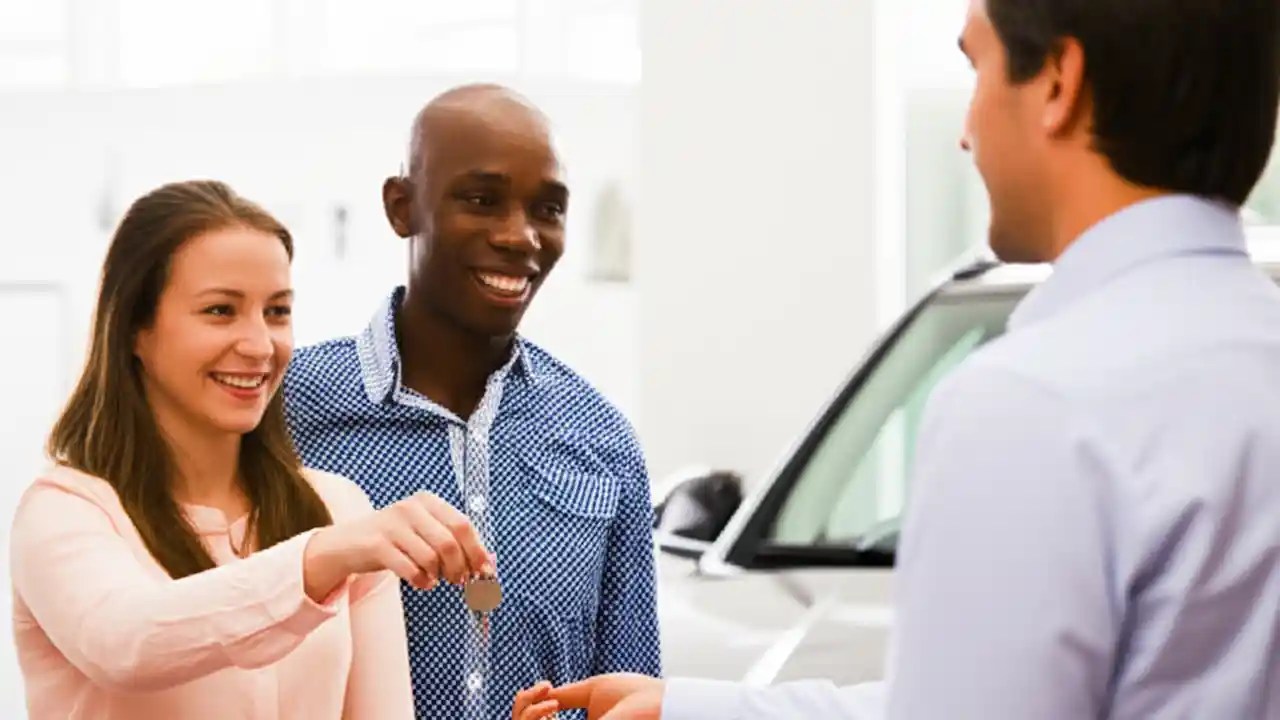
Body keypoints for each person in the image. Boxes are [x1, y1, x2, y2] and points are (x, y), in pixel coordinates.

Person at [532, 0, 1280, 717]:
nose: (966, 132)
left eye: (976, 68)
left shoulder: (1034, 403)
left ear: (1057, 83)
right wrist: (692, 708)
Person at [10, 180, 500, 720]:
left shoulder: (340, 508)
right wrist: (320, 557)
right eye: (220, 311)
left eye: (277, 312)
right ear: (134, 329)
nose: (260, 346)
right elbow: (125, 642)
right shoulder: (66, 510)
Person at [283, 83, 661, 720]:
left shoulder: (602, 438)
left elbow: (636, 691)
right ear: (402, 208)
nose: (520, 237)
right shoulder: (286, 414)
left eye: (547, 209)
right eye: (482, 201)